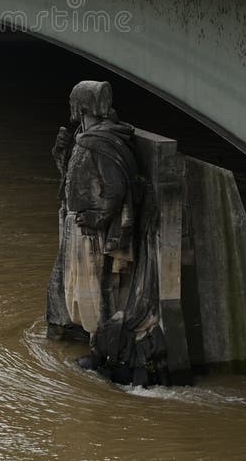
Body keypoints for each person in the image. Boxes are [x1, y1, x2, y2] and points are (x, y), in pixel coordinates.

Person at [46, 80, 168, 387]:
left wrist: (96, 217)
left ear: (81, 107)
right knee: (81, 289)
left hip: (91, 233)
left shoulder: (97, 144)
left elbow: (114, 188)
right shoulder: (90, 139)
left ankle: (102, 351)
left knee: (94, 291)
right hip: (82, 227)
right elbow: (75, 181)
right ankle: (91, 340)